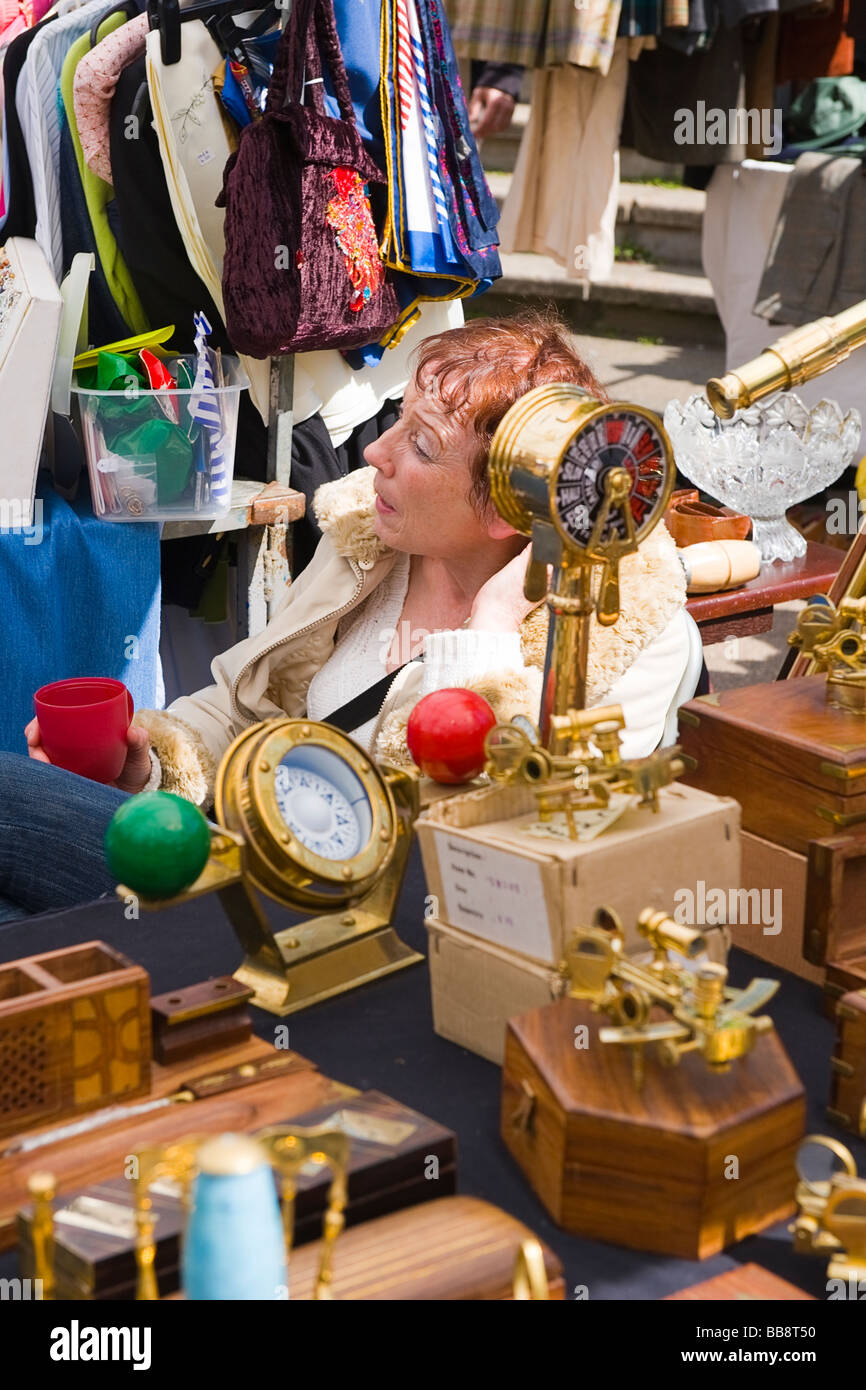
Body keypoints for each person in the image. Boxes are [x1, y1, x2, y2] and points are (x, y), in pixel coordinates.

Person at [3, 311, 691, 922]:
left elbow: (500, 858)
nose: (374, 453)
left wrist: (490, 627)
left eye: (421, 446)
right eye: (398, 419)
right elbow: (251, 711)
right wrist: (147, 767)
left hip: (361, 918)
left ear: (507, 509)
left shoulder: (614, 636)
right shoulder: (371, 543)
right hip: (261, 862)